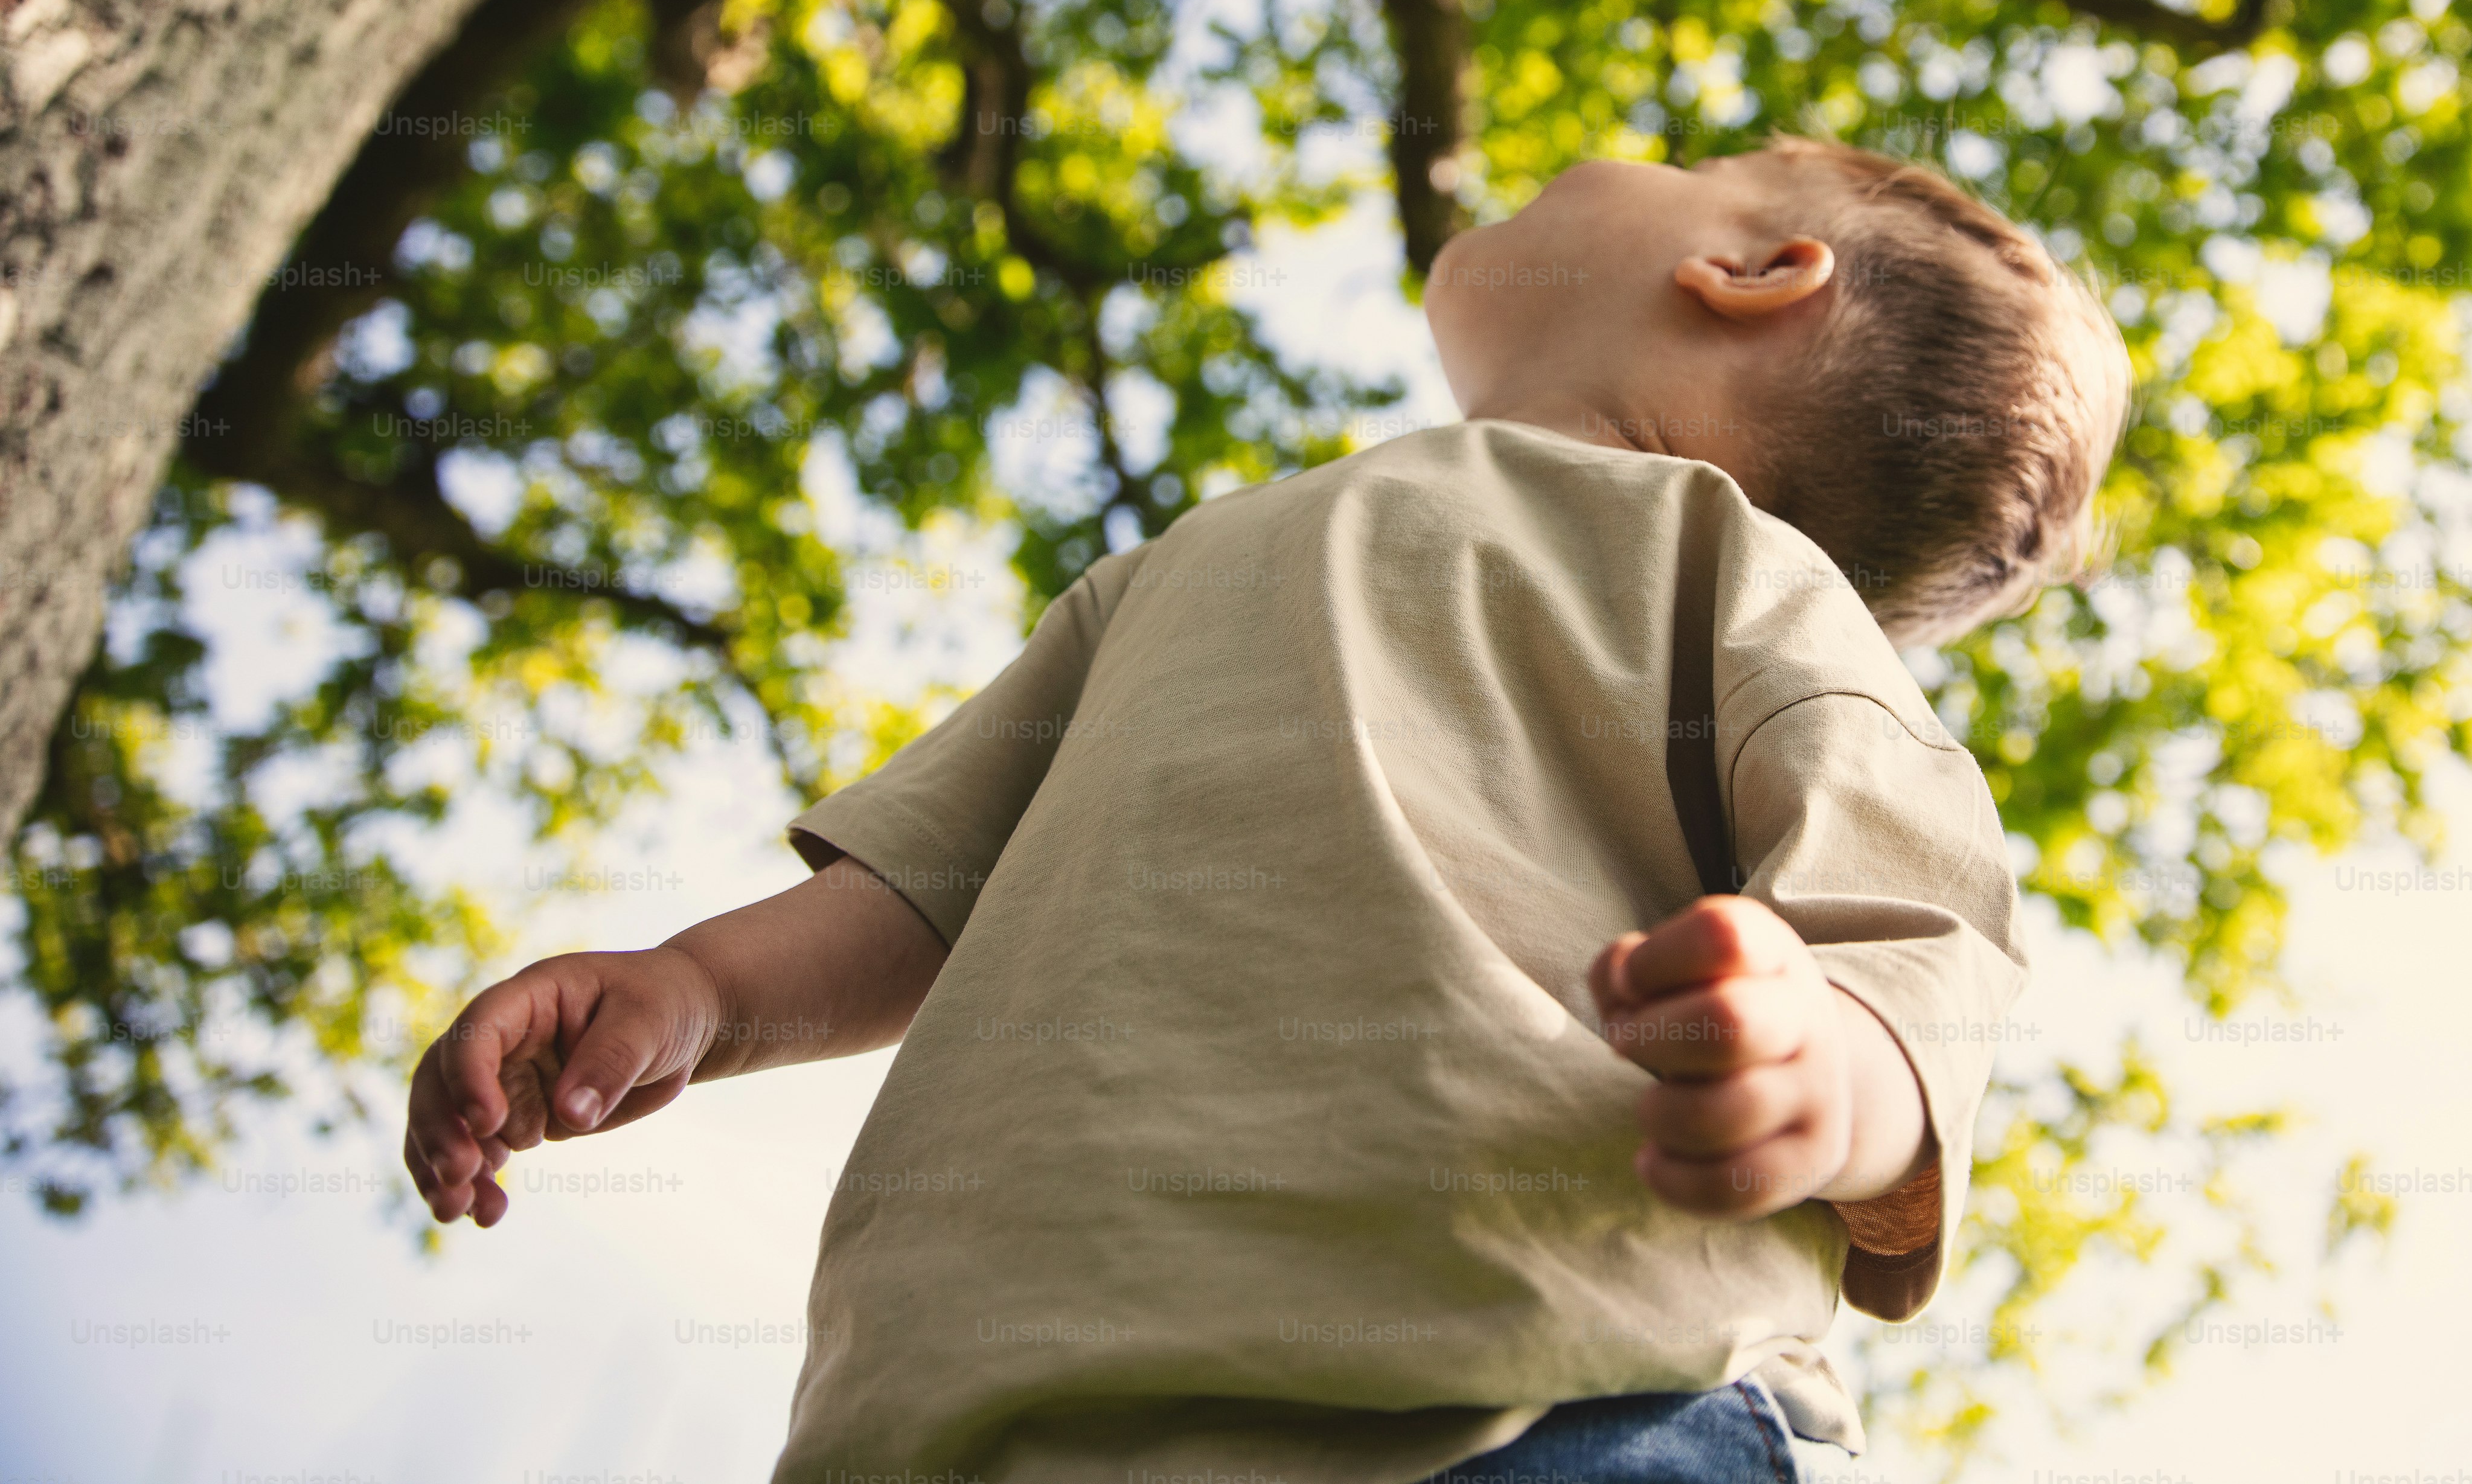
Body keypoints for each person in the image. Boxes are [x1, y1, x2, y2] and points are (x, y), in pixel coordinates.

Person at [403, 136, 2132, 1484]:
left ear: (1754, 265)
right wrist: (698, 991)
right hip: (996, 1424)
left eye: (1690, 159)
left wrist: (1828, 1077)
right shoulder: (1187, 569)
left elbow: (1918, 929)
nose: (1592, 167)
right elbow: (934, 883)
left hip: (1547, 1399)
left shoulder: (1730, 574)